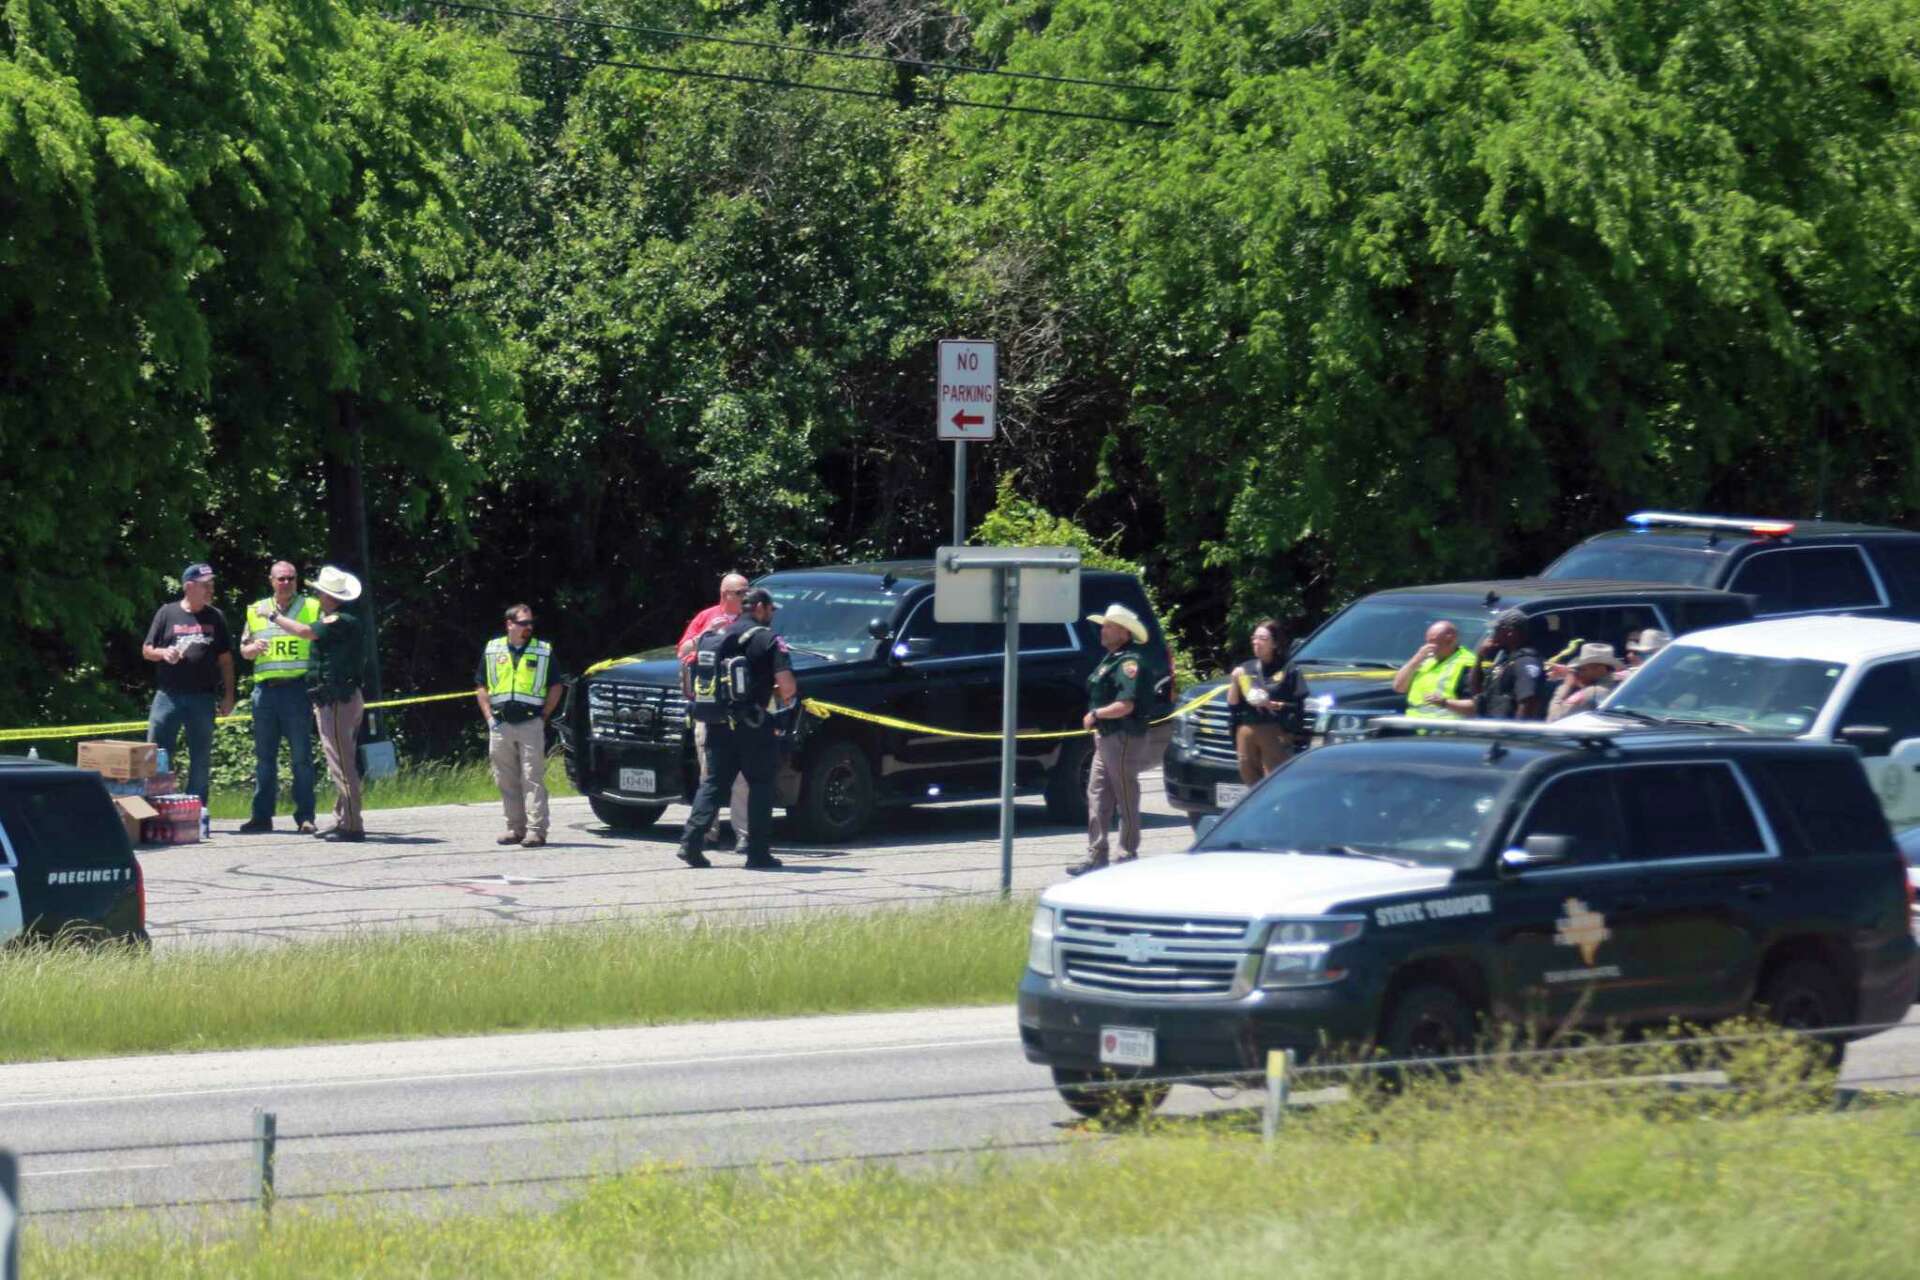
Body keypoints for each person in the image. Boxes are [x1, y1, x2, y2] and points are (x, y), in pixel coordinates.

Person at [676, 588, 797, 870]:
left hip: (717, 722)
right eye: (771, 609)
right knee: (761, 785)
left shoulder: (719, 637)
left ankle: (690, 843)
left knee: (713, 784)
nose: (773, 614)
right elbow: (787, 687)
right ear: (759, 608)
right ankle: (758, 853)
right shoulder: (769, 639)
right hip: (754, 726)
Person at [267, 566, 367, 842]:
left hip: (337, 699)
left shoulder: (338, 620)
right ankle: (343, 818)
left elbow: (304, 631)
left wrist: (275, 616)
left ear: (328, 595)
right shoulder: (347, 619)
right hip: (342, 696)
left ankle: (352, 824)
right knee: (342, 758)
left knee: (341, 763)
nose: (318, 596)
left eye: (320, 593)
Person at [1068, 604, 1154, 877]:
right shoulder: (1110, 660)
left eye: (1109, 626)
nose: (1103, 631)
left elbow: (1126, 705)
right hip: (1106, 737)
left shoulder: (1130, 663)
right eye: (1104, 625)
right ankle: (1097, 854)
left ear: (1124, 632)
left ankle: (1127, 852)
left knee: (1125, 793)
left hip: (1123, 735)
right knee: (1097, 794)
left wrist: (1096, 714)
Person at [141, 562, 236, 807]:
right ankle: (154, 808)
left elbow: (225, 661)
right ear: (189, 586)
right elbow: (147, 650)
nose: (210, 589)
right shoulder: (167, 613)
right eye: (205, 585)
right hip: (168, 696)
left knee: (201, 757)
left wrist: (228, 696)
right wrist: (164, 653)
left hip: (202, 697)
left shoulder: (215, 617)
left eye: (212, 584)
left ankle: (197, 812)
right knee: (158, 754)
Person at [237, 561, 321, 834]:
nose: (286, 583)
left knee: (301, 758)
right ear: (271, 581)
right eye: (281, 578)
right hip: (265, 692)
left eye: (291, 578)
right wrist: (252, 648)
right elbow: (243, 649)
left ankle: (305, 816)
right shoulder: (255, 609)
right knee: (264, 758)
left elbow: (317, 639)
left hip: (296, 690)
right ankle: (261, 816)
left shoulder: (311, 606)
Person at [476, 604, 567, 848]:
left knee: (532, 778)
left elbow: (556, 686)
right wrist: (489, 718)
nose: (529, 627)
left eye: (531, 623)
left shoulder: (543, 650)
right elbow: (481, 686)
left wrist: (544, 716)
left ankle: (536, 830)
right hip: (500, 723)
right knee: (505, 779)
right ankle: (514, 828)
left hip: (530, 723)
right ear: (509, 624)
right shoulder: (493, 649)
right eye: (523, 623)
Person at [676, 573, 752, 850]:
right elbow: (682, 653)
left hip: (740, 708)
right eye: (741, 592)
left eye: (748, 591)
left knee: (742, 777)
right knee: (709, 774)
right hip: (709, 708)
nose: (746, 596)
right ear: (725, 595)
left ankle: (744, 834)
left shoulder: (751, 620)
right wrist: (704, 636)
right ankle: (707, 832)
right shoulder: (706, 617)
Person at [1226, 618, 1307, 781]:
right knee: (1251, 783)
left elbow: (1298, 706)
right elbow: (1233, 705)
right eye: (1254, 638)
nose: (1256, 642)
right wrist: (1235, 681)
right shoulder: (1246, 668)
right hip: (1247, 730)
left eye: (1263, 639)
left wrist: (1276, 705)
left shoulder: (1289, 669)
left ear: (1275, 644)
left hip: (1274, 730)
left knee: (1274, 782)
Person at [1391, 620, 1477, 719]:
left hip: (1446, 731)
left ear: (1450, 640)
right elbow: (1399, 687)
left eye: (1432, 641)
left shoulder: (1468, 664)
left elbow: (1476, 707)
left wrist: (1444, 702)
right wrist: (1416, 659)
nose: (1428, 646)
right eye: (1427, 641)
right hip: (1414, 728)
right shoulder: (1426, 660)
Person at [1473, 608, 1546, 720]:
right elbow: (1477, 691)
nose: (1492, 635)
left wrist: (1514, 733)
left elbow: (1529, 704)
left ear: (1510, 633)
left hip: (1507, 733)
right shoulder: (1504, 659)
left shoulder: (1525, 661)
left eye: (1496, 630)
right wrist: (1480, 657)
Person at [1546, 643, 1622, 721]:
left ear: (1599, 669)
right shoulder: (1619, 686)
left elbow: (1553, 718)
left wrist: (1566, 685)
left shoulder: (1592, 692)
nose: (1579, 673)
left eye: (1582, 669)